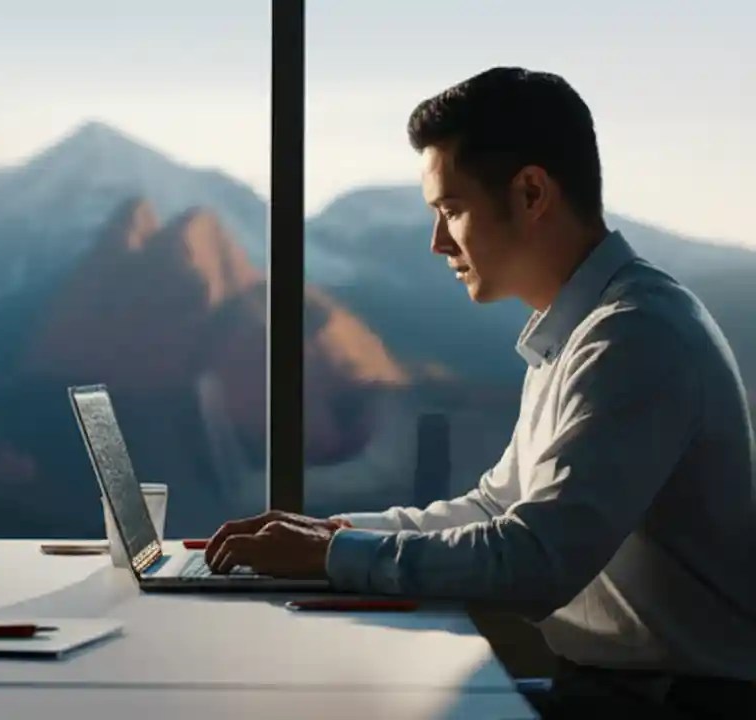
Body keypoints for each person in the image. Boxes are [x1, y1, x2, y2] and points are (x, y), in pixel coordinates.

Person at [205, 67, 756, 718]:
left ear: (530, 192)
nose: (439, 242)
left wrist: (332, 554)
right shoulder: (582, 333)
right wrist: (332, 533)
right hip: (615, 694)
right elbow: (497, 506)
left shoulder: (634, 339)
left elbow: (534, 559)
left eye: (451, 209)